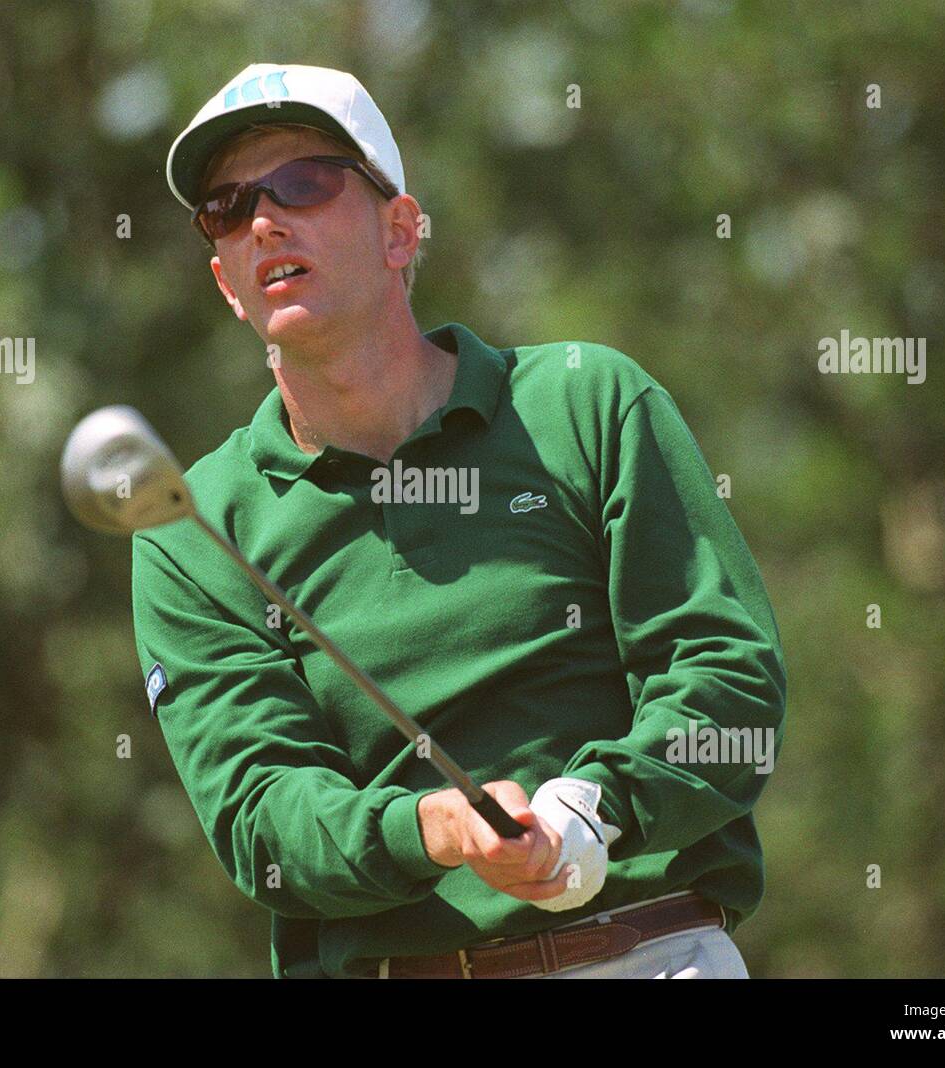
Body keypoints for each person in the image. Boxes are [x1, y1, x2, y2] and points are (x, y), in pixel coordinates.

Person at [133, 63, 787, 979]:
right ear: (226, 283)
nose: (266, 221)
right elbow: (263, 817)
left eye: (306, 183)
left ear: (400, 230)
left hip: (650, 952)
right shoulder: (191, 532)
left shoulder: (587, 402)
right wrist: (427, 829)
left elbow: (729, 681)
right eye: (228, 208)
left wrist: (596, 806)